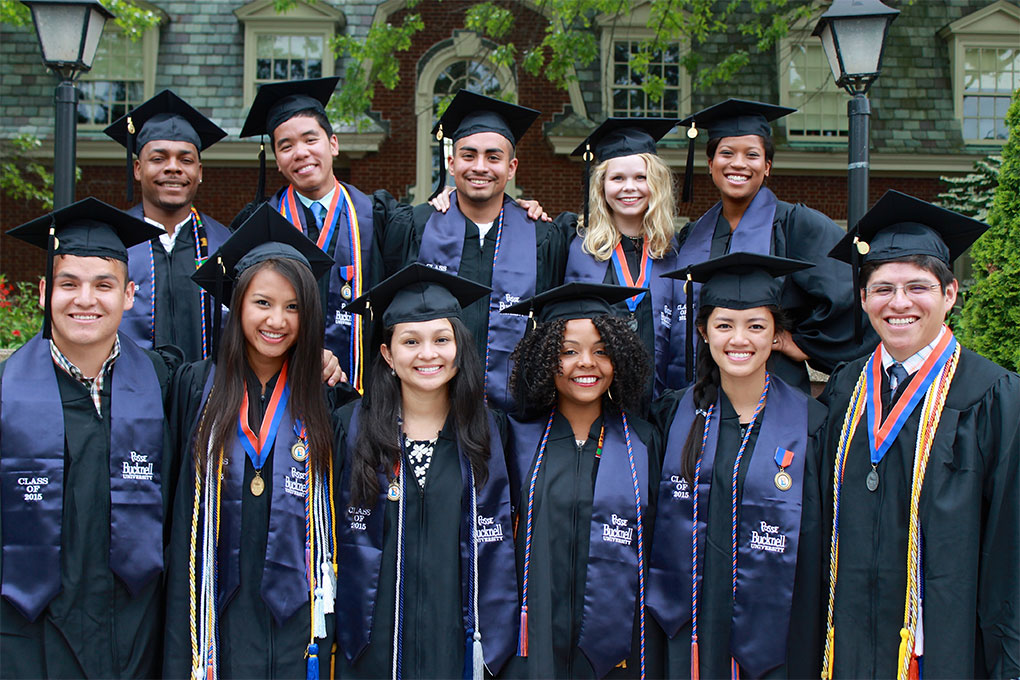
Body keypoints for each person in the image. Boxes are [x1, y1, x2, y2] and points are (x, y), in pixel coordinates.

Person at [819, 190, 1019, 679]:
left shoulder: (992, 395)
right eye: (883, 288)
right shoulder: (846, 387)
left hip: (944, 649)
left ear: (950, 294)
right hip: (848, 641)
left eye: (918, 287)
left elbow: (1011, 547)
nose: (899, 303)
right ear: (863, 299)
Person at [162, 204, 344, 679]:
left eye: (293, 307)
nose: (277, 321)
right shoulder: (193, 388)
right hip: (211, 610)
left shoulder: (327, 400)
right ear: (237, 303)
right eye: (262, 303)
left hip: (298, 620)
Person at [0, 199, 175, 678]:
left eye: (104, 285)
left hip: (137, 631)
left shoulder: (166, 384)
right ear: (43, 292)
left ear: (130, 294)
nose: (85, 299)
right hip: (28, 635)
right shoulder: (5, 394)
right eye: (68, 283)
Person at [334, 263, 518, 679]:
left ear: (460, 347)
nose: (428, 354)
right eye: (411, 341)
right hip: (372, 645)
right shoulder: (350, 427)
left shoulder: (491, 434)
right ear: (387, 353)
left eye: (441, 339)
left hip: (455, 639)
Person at [647, 252, 826, 680]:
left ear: (776, 336)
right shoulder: (672, 417)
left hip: (779, 626)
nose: (739, 339)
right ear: (703, 332)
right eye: (724, 325)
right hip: (689, 629)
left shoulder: (812, 424)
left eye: (756, 326)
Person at [499, 282, 663, 680]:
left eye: (602, 351)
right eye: (568, 351)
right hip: (530, 647)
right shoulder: (514, 440)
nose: (586, 362)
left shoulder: (642, 442)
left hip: (618, 649)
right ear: (544, 358)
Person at [381, 89, 571, 411]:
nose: (480, 167)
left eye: (493, 157)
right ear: (452, 164)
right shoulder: (416, 227)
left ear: (511, 168)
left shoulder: (541, 236)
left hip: (515, 417)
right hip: (427, 412)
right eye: (469, 156)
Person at [675, 99, 874, 391]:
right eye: (726, 153)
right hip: (701, 388)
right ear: (710, 164)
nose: (738, 164)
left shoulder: (797, 224)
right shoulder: (692, 235)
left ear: (767, 166)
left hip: (777, 386)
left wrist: (802, 344)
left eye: (752, 155)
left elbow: (852, 295)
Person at [104, 90, 233, 362]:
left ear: (199, 172)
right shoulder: (112, 242)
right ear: (138, 169)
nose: (173, 168)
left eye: (185, 160)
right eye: (159, 158)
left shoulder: (226, 244)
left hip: (209, 397)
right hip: (129, 395)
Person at [562, 118, 685, 400]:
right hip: (595, 400)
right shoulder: (577, 245)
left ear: (657, 183)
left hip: (662, 401)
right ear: (601, 185)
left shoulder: (675, 249)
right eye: (617, 178)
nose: (629, 187)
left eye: (640, 178)